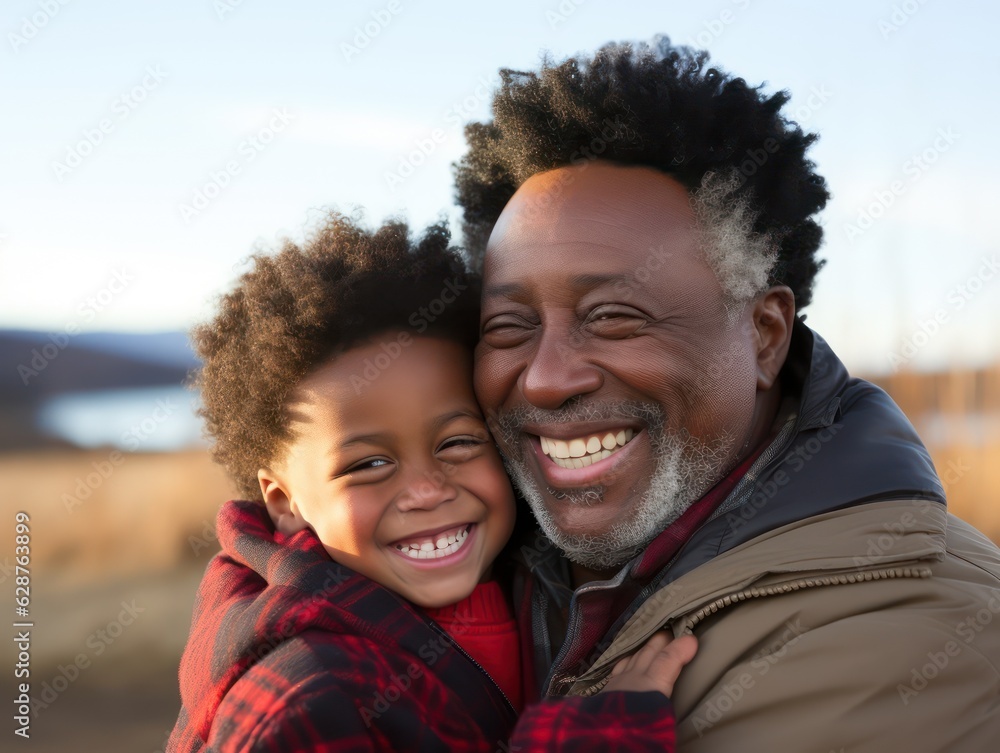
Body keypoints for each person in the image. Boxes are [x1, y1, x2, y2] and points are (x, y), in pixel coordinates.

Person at [455, 37, 1000, 751]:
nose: (547, 376)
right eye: (508, 325)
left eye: (614, 317)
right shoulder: (452, 564)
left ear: (765, 334)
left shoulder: (920, 638)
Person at [166, 212, 697, 752]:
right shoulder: (313, 697)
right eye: (368, 465)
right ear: (285, 502)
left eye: (458, 443)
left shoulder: (538, 584)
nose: (427, 490)